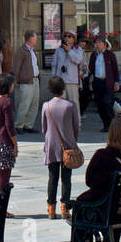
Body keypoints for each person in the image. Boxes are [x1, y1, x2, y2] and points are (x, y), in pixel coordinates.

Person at [42, 75, 79, 218]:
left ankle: (51, 208)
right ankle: (65, 208)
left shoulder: (46, 106)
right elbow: (76, 126)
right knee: (66, 178)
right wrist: (73, 140)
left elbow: (44, 128)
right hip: (68, 145)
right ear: (63, 89)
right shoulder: (70, 106)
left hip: (52, 145)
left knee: (52, 178)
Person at [88, 35, 119, 132]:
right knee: (100, 104)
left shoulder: (110, 55)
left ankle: (113, 123)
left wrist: (116, 82)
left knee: (107, 102)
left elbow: (115, 70)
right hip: (97, 81)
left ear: (105, 44)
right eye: (96, 42)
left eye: (100, 42)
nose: (98, 44)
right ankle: (106, 124)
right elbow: (91, 68)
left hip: (108, 82)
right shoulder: (94, 55)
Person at [51, 30, 83, 122]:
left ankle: (76, 123)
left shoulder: (78, 49)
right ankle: (61, 123)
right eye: (65, 36)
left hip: (72, 81)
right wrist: (54, 78)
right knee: (60, 103)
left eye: (69, 36)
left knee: (74, 103)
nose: (67, 38)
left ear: (74, 39)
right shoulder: (59, 49)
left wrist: (69, 51)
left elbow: (78, 60)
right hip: (60, 80)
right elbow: (54, 64)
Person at [13, 29, 41, 132]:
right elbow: (16, 68)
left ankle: (29, 125)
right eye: (35, 37)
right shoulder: (21, 51)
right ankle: (19, 125)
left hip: (35, 80)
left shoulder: (32, 50)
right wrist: (18, 81)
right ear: (30, 39)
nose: (36, 40)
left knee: (34, 104)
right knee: (24, 104)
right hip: (26, 81)